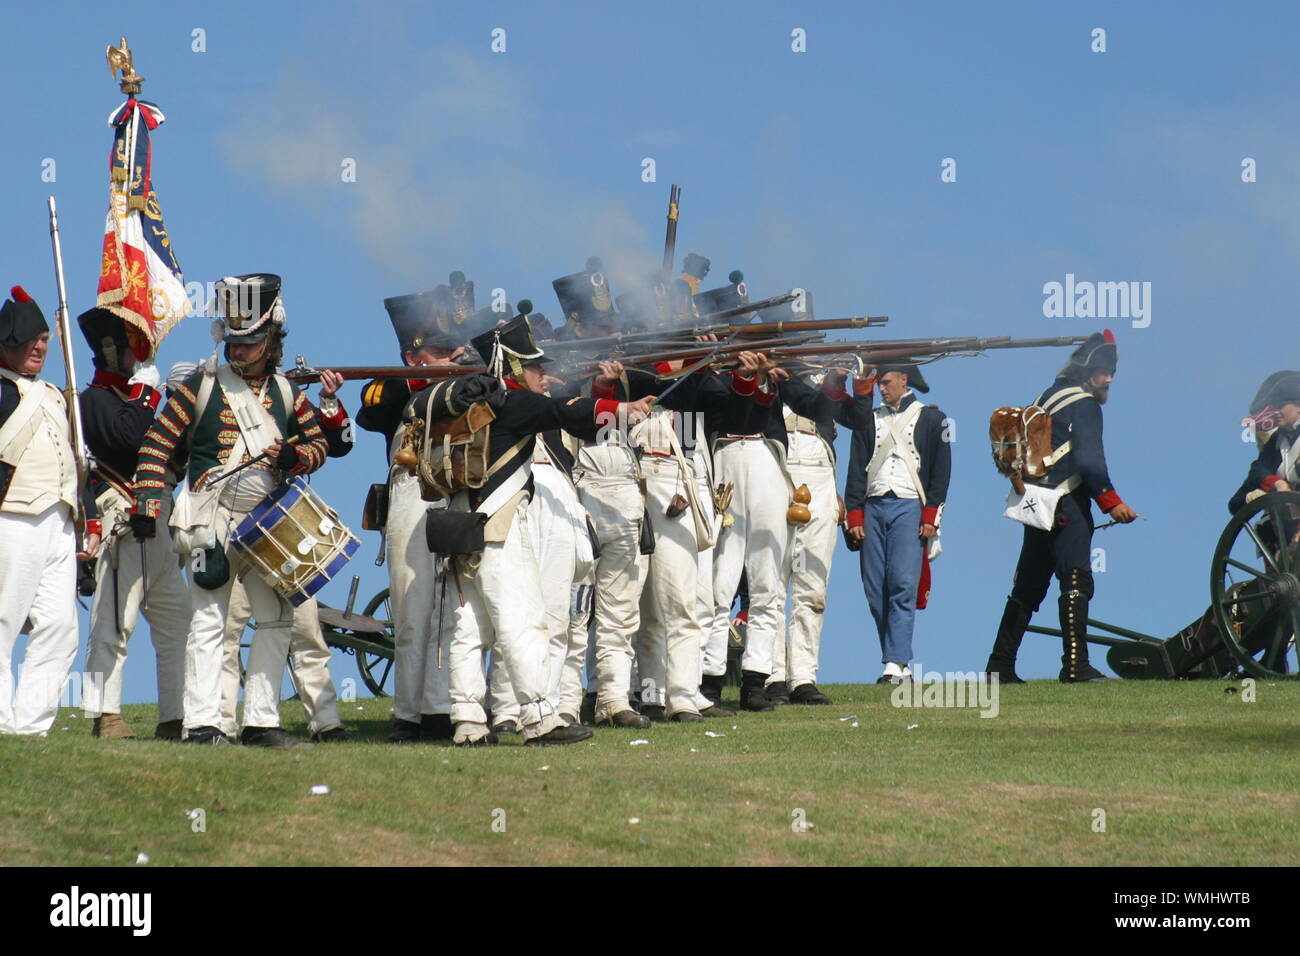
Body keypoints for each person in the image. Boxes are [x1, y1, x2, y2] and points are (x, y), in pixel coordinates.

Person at [131, 273, 330, 746]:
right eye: (235, 342)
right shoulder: (201, 385)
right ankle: (203, 723)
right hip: (210, 520)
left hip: (268, 522)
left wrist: (295, 457)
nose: (239, 351)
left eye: (250, 342)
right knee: (208, 619)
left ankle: (261, 722)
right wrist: (148, 500)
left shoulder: (286, 394)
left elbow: (320, 444)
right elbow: (156, 445)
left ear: (270, 339)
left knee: (277, 619)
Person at [435, 316, 651, 746]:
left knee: (470, 629)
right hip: (499, 530)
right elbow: (567, 413)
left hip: (459, 528)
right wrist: (623, 410)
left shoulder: (457, 403)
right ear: (512, 368)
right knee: (523, 620)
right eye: (533, 367)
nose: (541, 375)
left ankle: (468, 721)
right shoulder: (514, 402)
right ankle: (540, 717)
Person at [983, 330, 1137, 683]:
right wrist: (1112, 502)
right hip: (1067, 503)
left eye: (1111, 370)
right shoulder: (1084, 404)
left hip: (1036, 504)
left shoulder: (1047, 396)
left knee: (1028, 587)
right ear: (1088, 372)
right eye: (1104, 370)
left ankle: (999, 666)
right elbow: (1090, 460)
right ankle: (1074, 666)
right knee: (1076, 581)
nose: (1109, 378)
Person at [218, 368, 354, 742]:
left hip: (281, 526)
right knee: (226, 634)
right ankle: (221, 724)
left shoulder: (285, 396)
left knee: (307, 631)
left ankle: (326, 722)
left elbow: (337, 444)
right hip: (229, 524)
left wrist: (327, 401)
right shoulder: (219, 395)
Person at [357, 283, 468, 742]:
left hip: (457, 496)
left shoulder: (466, 385)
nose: (453, 357)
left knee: (451, 612)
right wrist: (433, 376)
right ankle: (408, 713)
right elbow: (372, 406)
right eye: (442, 350)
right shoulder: (396, 386)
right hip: (410, 498)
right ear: (415, 354)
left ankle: (442, 709)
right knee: (410, 610)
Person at [77, 307, 190, 740]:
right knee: (113, 624)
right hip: (121, 520)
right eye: (133, 347)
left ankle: (174, 716)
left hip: (159, 519)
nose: (140, 355)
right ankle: (105, 715)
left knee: (176, 623)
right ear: (111, 350)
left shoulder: (142, 399)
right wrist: (146, 394)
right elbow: (128, 438)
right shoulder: (93, 400)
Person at [0, 286, 98, 735]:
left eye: (44, 340)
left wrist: (89, 521)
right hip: (12, 516)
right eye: (30, 339)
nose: (40, 347)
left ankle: (30, 727)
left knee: (60, 627)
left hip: (60, 522)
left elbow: (80, 463)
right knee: (4, 620)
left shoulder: (58, 396)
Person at [845, 365, 951, 685]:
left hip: (909, 505)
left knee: (903, 585)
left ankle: (894, 661)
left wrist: (932, 516)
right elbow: (856, 468)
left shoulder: (933, 418)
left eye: (886, 382)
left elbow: (941, 470)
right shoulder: (867, 419)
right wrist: (854, 514)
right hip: (873, 505)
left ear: (904, 380)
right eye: (878, 383)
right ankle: (898, 664)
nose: (881, 388)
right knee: (875, 588)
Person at [1230, 371, 1300, 514]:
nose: (1275, 412)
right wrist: (1276, 484)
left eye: (1280, 406)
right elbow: (1236, 502)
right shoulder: (1275, 443)